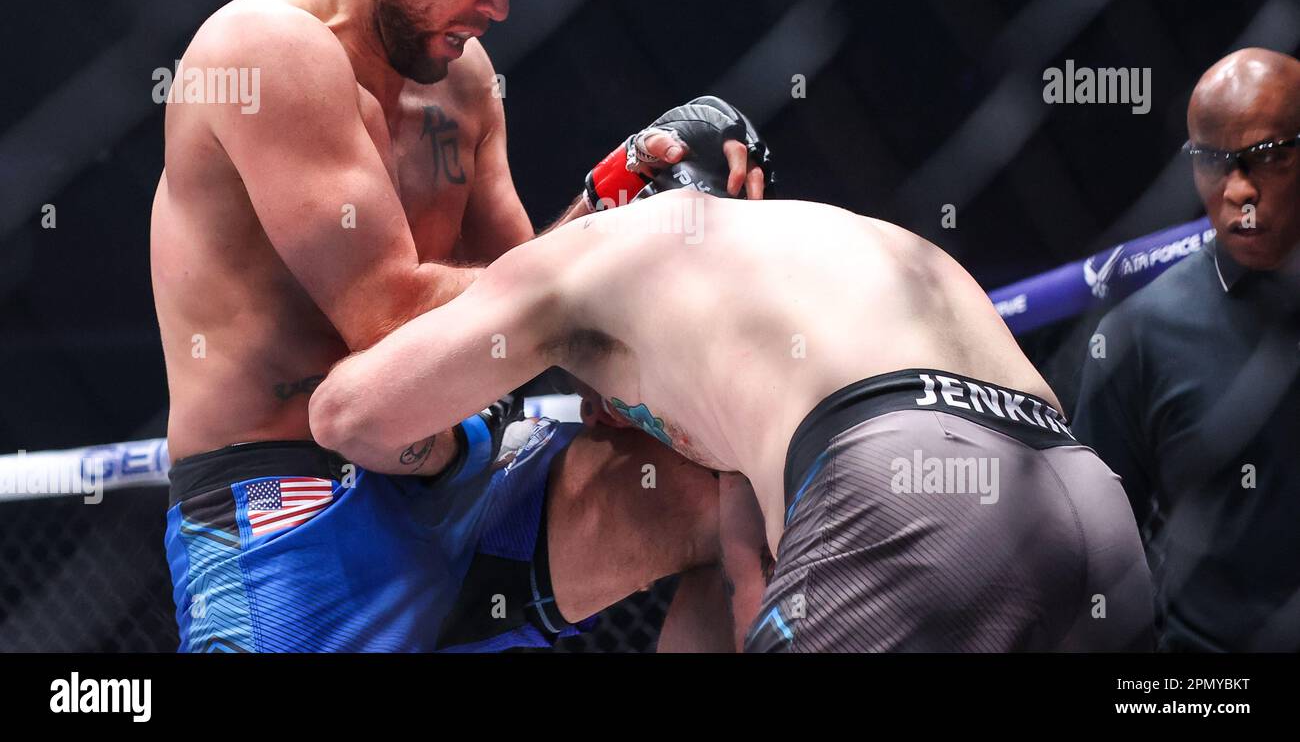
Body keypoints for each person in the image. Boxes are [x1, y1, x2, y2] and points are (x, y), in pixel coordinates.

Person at [151, 0, 768, 652]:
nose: (502, 5)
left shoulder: (464, 81)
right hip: (290, 516)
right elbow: (389, 312)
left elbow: (532, 296)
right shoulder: (261, 52)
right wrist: (623, 251)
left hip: (471, 478)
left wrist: (616, 202)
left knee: (739, 492)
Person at [310, 191, 1154, 651]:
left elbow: (349, 415)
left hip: (902, 486)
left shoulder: (581, 256)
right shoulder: (810, 248)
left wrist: (466, 439)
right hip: (1093, 506)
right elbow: (740, 595)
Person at [1074, 47, 1300, 651]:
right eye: (1212, 162)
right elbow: (1097, 549)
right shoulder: (1138, 334)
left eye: (1269, 156)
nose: (1239, 192)